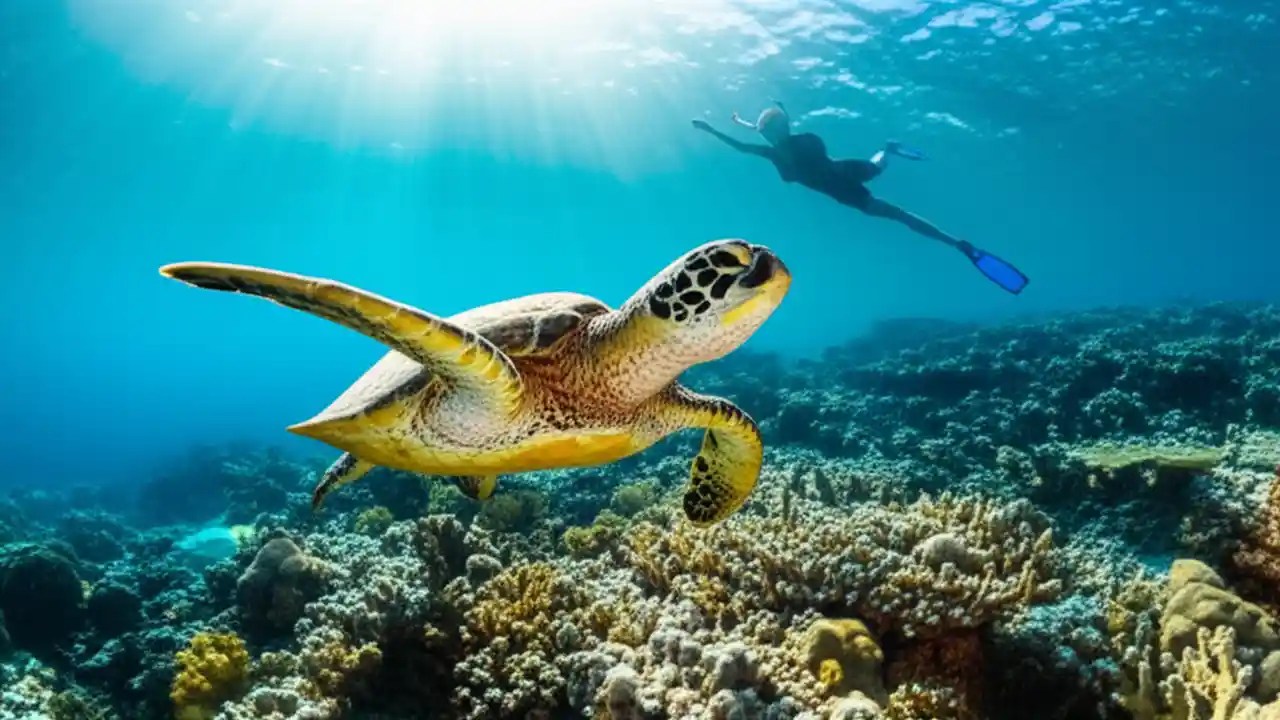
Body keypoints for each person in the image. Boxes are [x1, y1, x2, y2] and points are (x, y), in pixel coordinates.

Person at [692, 102, 1028, 294]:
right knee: (899, 215)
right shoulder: (773, 151)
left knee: (878, 171)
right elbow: (744, 145)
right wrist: (710, 130)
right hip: (844, 195)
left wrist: (758, 130)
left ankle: (890, 148)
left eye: (777, 126)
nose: (773, 132)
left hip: (846, 175)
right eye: (769, 130)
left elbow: (791, 148)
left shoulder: (801, 142)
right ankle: (959, 244)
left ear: (786, 126)